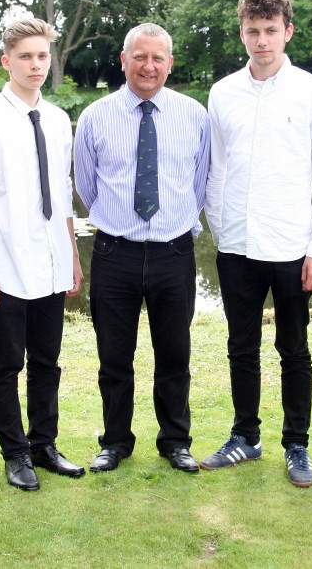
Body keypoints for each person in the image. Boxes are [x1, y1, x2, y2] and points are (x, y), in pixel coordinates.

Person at [201, 0, 312, 488]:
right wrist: (220, 228)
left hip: (290, 246)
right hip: (236, 245)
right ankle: (246, 437)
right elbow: (215, 170)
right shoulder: (223, 93)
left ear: (288, 31)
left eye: (270, 31)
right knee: (241, 345)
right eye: (252, 31)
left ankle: (296, 443)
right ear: (242, 33)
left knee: (294, 348)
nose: (262, 41)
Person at [0, 18, 85, 491]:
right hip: (4, 263)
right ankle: (15, 454)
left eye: (42, 57)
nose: (35, 65)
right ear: (7, 61)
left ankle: (44, 444)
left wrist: (71, 254)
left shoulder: (54, 118)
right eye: (25, 56)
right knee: (7, 363)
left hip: (50, 260)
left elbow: (62, 191)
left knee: (48, 361)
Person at [74, 23, 210, 474]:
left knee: (175, 354)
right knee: (114, 357)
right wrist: (120, 220)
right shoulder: (95, 117)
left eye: (157, 58)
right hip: (116, 253)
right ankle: (115, 441)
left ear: (170, 63)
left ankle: (175, 441)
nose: (148, 66)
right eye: (140, 57)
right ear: (123, 60)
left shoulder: (194, 115)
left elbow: (199, 181)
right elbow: (87, 186)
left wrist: (173, 222)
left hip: (174, 253)